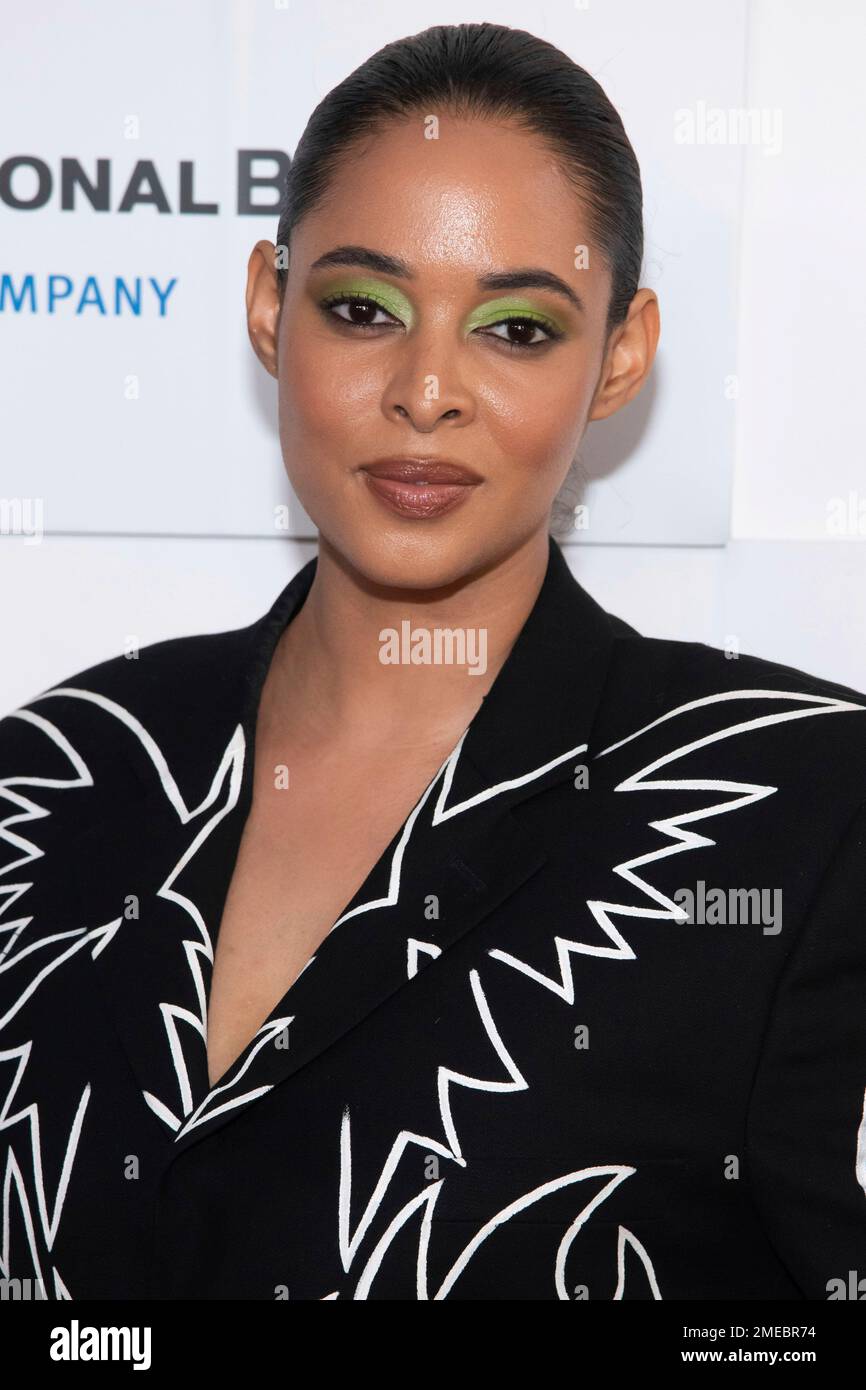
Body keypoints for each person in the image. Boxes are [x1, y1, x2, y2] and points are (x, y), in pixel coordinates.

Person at [1, 21, 864, 1302]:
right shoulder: (50, 779)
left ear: (619, 355)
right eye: (362, 308)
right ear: (266, 307)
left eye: (515, 327)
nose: (425, 390)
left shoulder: (800, 808)